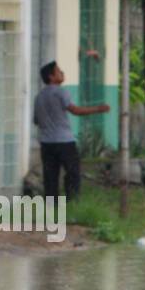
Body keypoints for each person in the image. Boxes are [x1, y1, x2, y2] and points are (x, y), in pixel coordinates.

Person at [32, 61, 109, 200]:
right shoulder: (61, 92)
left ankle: (51, 207)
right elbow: (75, 110)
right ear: (51, 77)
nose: (62, 73)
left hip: (46, 142)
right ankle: (72, 202)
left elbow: (36, 120)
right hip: (64, 141)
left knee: (50, 176)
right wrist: (98, 109)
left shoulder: (39, 97)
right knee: (73, 172)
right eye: (58, 71)